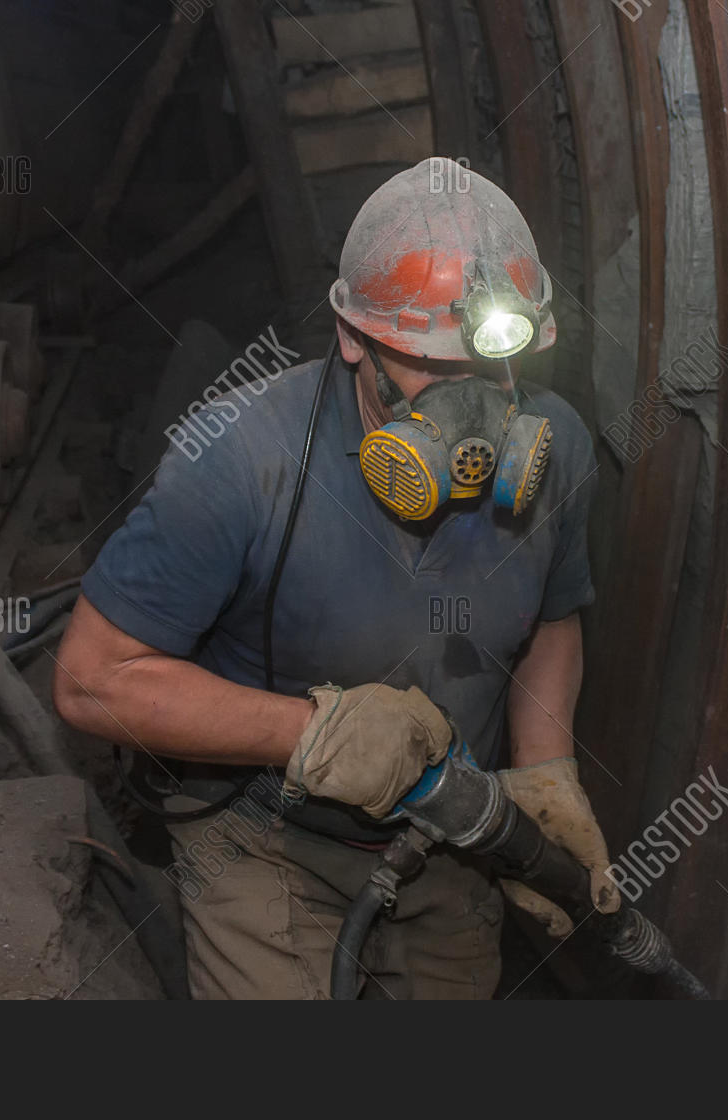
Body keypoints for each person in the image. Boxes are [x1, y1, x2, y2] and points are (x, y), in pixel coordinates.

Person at [53, 157, 619, 999]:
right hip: (260, 840)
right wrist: (309, 735)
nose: (474, 406)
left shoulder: (557, 447)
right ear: (354, 339)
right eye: (431, 364)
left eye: (493, 368)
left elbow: (552, 623)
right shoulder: (238, 461)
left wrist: (541, 773)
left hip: (455, 842)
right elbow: (90, 683)